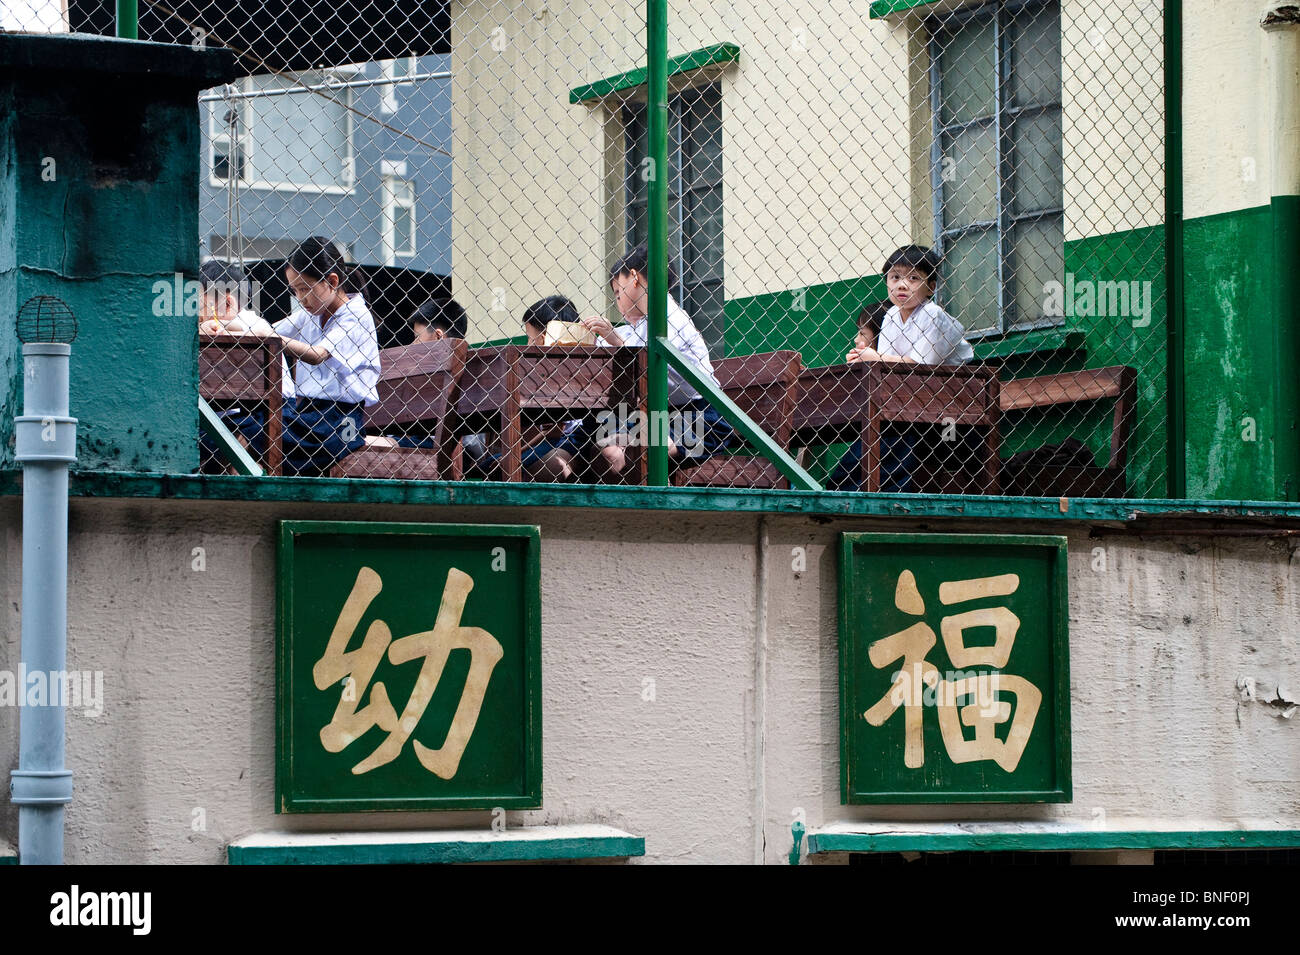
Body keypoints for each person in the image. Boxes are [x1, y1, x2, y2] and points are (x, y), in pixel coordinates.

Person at [579, 246, 736, 479]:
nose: (618, 301)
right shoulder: (641, 325)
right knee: (593, 435)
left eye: (617, 292)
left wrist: (616, 341)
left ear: (633, 278)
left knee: (618, 449)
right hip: (656, 418)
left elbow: (651, 370)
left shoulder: (670, 318)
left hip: (700, 420)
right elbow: (621, 348)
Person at [828, 245, 973, 493]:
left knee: (894, 432)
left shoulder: (933, 314)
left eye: (914, 278)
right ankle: (843, 487)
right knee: (880, 430)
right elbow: (884, 368)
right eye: (895, 277)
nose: (902, 285)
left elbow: (921, 366)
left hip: (952, 402)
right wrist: (866, 359)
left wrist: (874, 358)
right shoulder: (891, 316)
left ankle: (855, 488)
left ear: (932, 287)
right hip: (909, 401)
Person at [273, 237, 380, 476]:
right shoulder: (310, 314)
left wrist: (271, 339)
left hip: (343, 420)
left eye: (305, 288)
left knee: (275, 437)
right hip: (308, 412)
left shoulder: (355, 315)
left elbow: (318, 354)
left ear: (332, 281)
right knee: (256, 424)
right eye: (295, 290)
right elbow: (268, 330)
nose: (300, 298)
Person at [197, 260, 295, 472]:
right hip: (245, 411)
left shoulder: (251, 321)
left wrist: (212, 325)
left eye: (200, 306)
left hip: (277, 411)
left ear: (228, 303)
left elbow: (245, 328)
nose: (197, 315)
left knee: (235, 438)